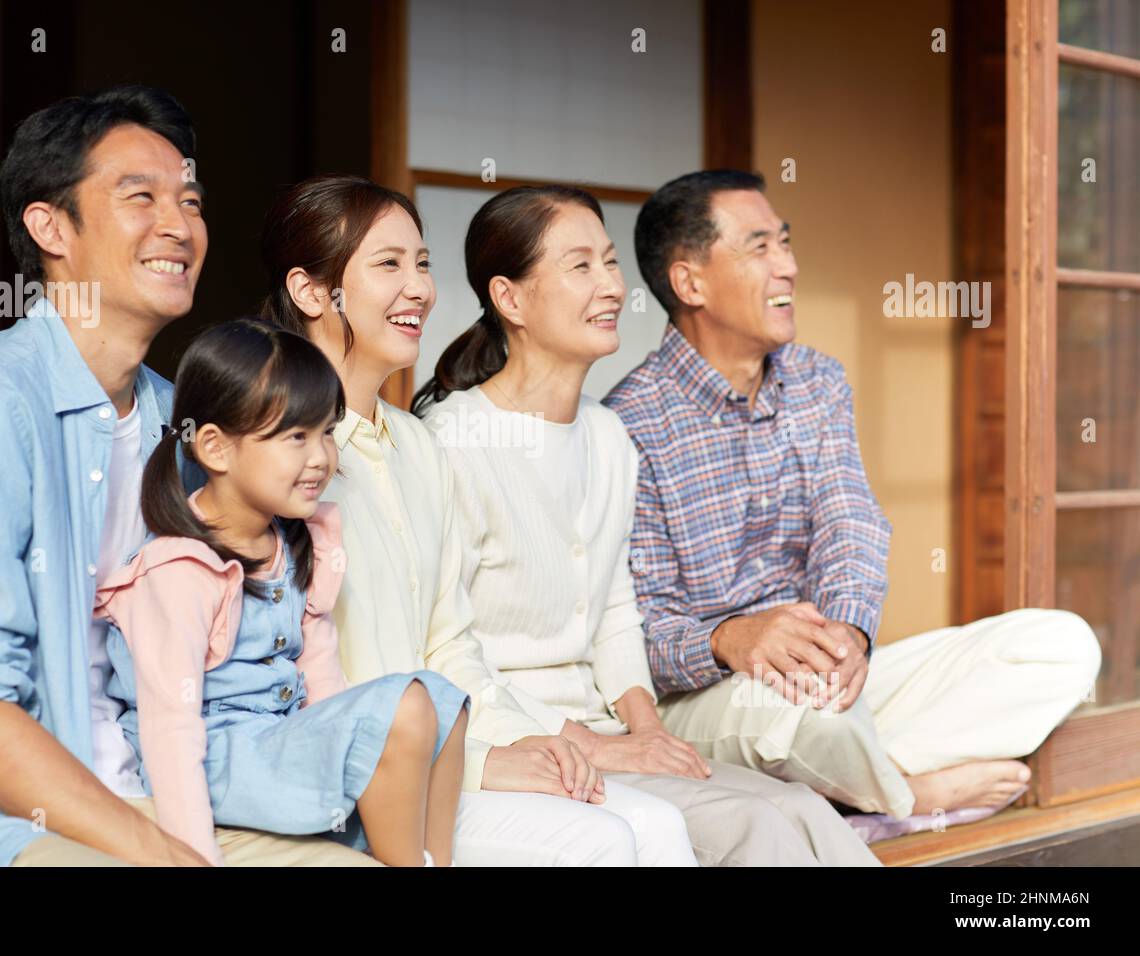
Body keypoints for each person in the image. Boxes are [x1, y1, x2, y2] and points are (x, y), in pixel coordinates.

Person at [0, 87, 374, 866]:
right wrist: (161, 854)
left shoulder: (183, 422)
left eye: (189, 201)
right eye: (141, 198)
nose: (178, 225)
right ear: (49, 226)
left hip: (159, 793)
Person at [604, 170, 1102, 820]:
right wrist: (731, 638)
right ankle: (908, 796)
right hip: (714, 698)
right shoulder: (626, 425)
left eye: (785, 242)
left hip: (821, 674)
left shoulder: (818, 381)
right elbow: (634, 631)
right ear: (689, 282)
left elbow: (852, 528)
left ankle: (841, 784)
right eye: (760, 248)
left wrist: (848, 635)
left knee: (1060, 645)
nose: (789, 266)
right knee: (807, 718)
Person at [412, 184, 879, 865]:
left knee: (799, 807)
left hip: (610, 730)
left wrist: (648, 732)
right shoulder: (451, 441)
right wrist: (601, 745)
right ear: (510, 299)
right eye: (580, 267)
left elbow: (616, 615)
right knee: (759, 828)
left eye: (609, 262)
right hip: (516, 742)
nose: (610, 286)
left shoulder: (608, 435)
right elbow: (448, 654)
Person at [259, 174, 697, 865]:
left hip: (449, 751)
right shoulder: (279, 454)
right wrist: (487, 761)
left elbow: (453, 647)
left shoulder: (417, 446)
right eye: (388, 265)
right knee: (604, 840)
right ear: (313, 292)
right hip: (359, 774)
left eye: (423, 263)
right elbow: (300, 672)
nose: (419, 289)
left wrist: (521, 741)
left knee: (657, 826)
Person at [94, 319, 469, 866]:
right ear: (217, 449)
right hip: (217, 760)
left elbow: (323, 681)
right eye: (296, 437)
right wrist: (195, 857)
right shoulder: (179, 570)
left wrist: (342, 746)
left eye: (325, 431)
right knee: (407, 705)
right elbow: (169, 730)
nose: (320, 457)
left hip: (282, 744)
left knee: (440, 699)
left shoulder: (297, 544)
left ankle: (431, 859)